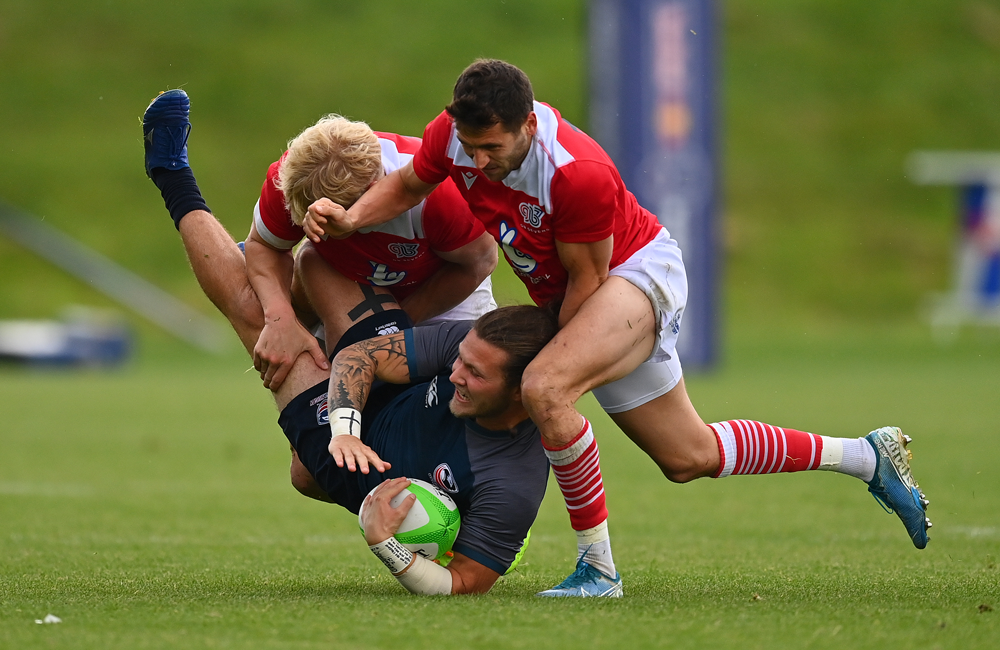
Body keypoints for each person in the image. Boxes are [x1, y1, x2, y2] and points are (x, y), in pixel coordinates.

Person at [300, 59, 932, 597]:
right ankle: (864, 456)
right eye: (470, 146)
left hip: (633, 276)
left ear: (527, 123)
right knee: (686, 456)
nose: (479, 160)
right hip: (584, 294)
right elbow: (410, 181)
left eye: (493, 148)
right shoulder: (455, 137)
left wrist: (542, 358)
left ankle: (597, 571)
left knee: (545, 386)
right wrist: (352, 219)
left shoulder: (575, 173)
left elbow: (586, 280)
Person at [141, 89, 556, 595]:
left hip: (443, 297)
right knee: (263, 311)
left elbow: (477, 263)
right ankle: (172, 173)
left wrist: (405, 332)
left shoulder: (432, 196)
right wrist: (283, 323)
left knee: (307, 475)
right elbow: (269, 253)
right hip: (366, 353)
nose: (456, 374)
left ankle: (484, 527)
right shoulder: (291, 176)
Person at [246, 114, 499, 391]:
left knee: (466, 391)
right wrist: (279, 319)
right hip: (351, 281)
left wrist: (399, 326)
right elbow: (263, 246)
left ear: (370, 190)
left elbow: (479, 263)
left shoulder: (440, 195)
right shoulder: (293, 178)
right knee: (351, 395)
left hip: (444, 290)